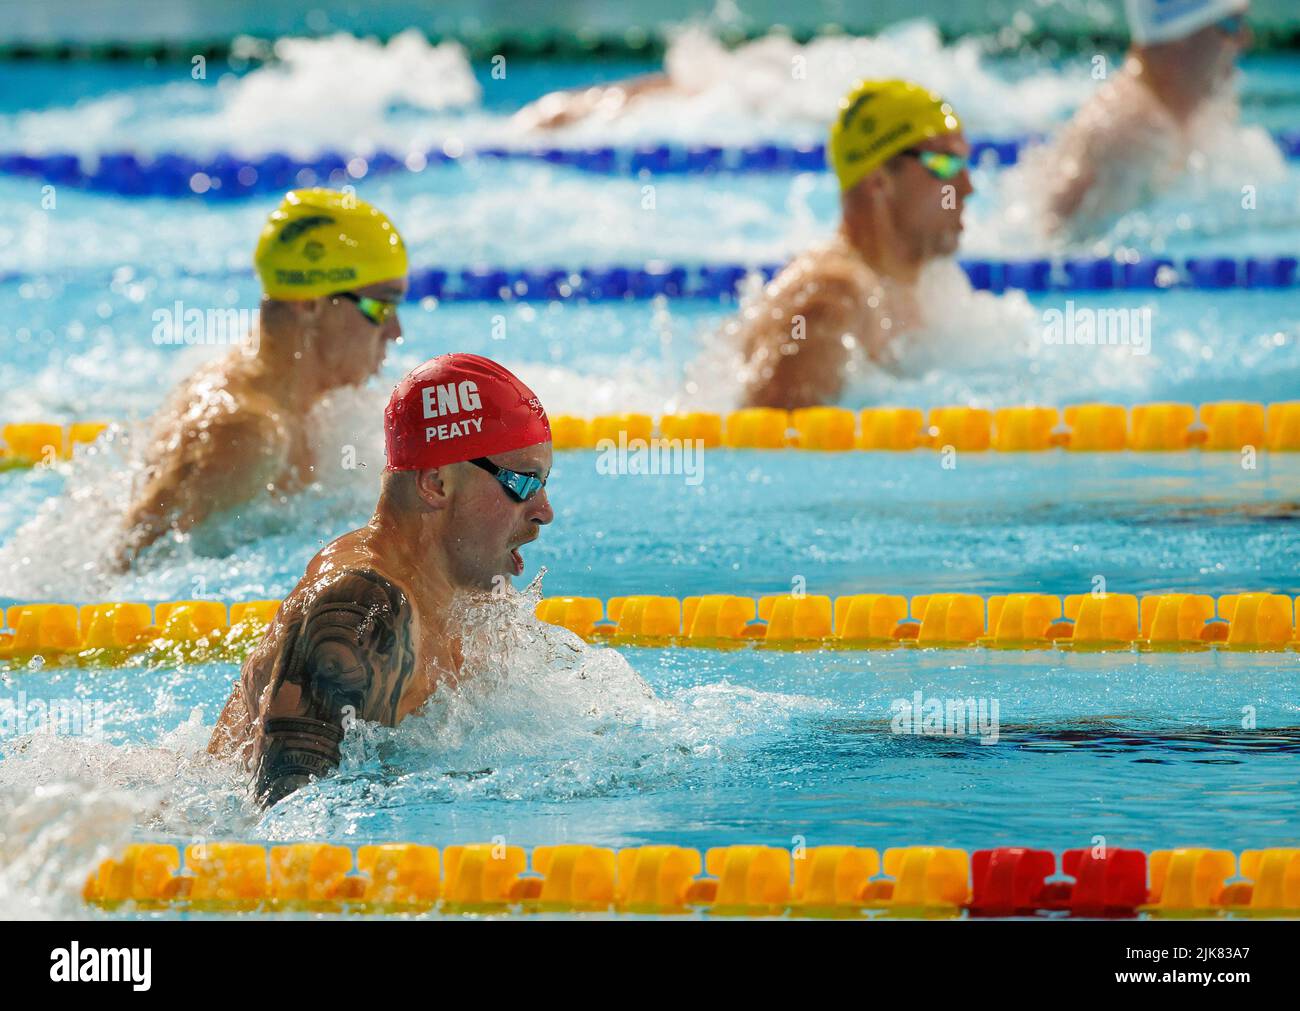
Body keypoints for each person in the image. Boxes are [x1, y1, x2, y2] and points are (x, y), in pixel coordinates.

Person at [207, 353, 554, 806]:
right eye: (523, 482)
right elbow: (282, 821)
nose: (545, 511)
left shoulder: (472, 594)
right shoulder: (361, 610)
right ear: (436, 485)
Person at [117, 188, 408, 563]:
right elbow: (134, 567)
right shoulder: (245, 432)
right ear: (311, 304)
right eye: (380, 307)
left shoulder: (306, 407)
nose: (395, 331)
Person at [731, 79, 972, 409]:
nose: (966, 186)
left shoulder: (921, 290)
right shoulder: (828, 299)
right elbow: (771, 440)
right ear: (878, 181)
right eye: (945, 163)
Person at [1033, 0, 1252, 238]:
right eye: (1231, 24)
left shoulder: (1193, 114)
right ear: (1179, 33)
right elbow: (1054, 244)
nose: (1244, 40)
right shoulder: (1123, 134)